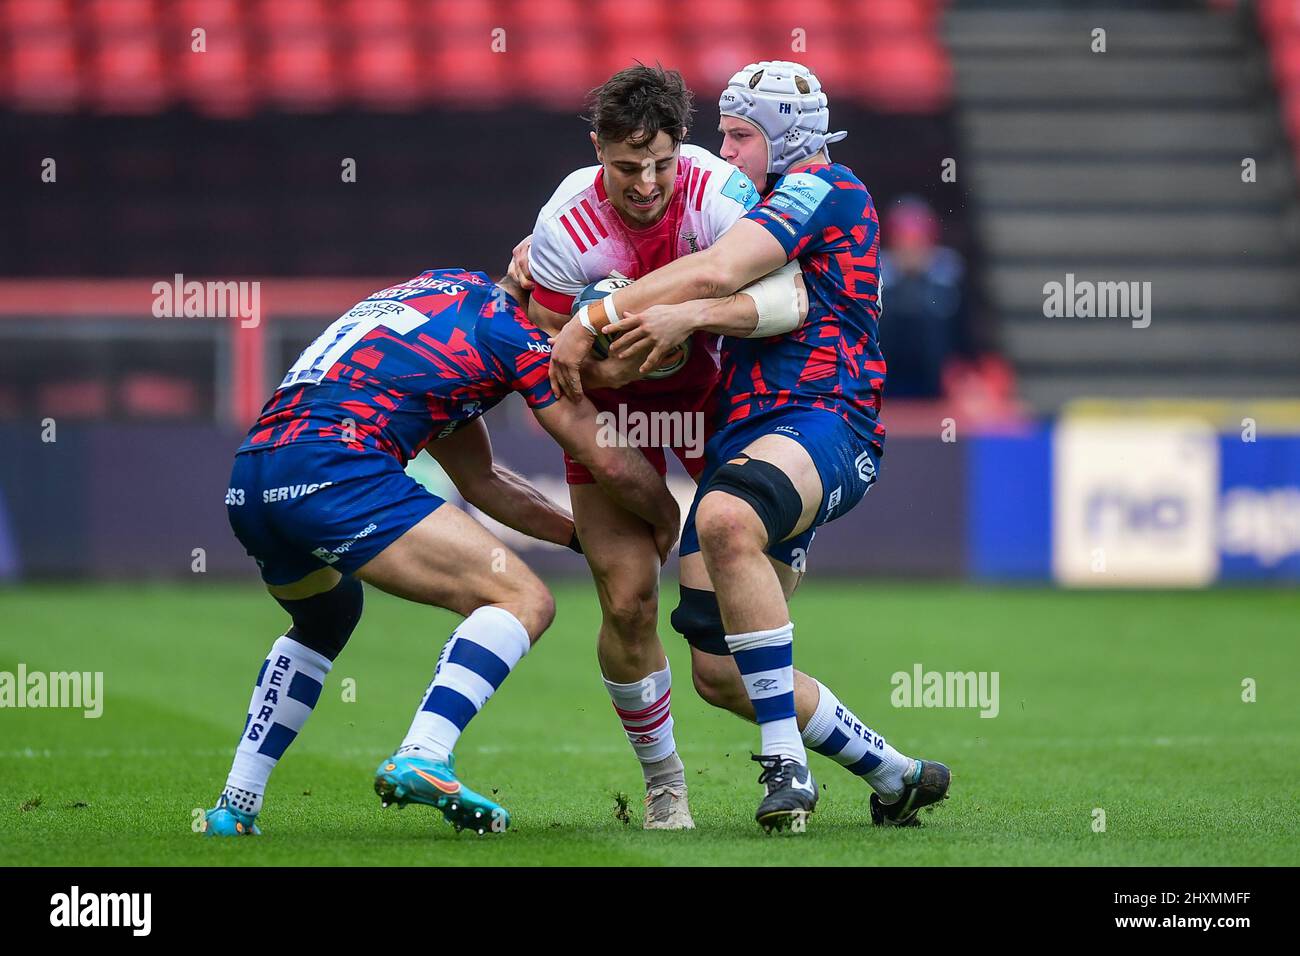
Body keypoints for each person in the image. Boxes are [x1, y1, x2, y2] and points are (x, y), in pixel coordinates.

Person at [545, 61, 952, 832]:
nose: (724, 153)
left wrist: (597, 319)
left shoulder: (817, 189)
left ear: (785, 139)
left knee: (725, 519)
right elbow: (738, 295)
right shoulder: (761, 201)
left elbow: (718, 271)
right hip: (748, 433)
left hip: (826, 417)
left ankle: (785, 769)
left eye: (739, 137)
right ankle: (893, 774)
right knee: (720, 670)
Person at [203, 267, 679, 837]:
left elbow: (484, 481)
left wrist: (578, 536)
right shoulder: (515, 334)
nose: (586, 349)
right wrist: (669, 518)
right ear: (546, 297)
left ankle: (236, 804)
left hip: (254, 477)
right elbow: (605, 458)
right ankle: (425, 752)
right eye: (592, 333)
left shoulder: (445, 294)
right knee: (522, 600)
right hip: (336, 469)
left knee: (327, 617)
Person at [511, 64, 761, 829]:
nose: (647, 183)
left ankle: (802, 739)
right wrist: (615, 358)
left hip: (715, 399)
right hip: (610, 412)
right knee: (626, 602)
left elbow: (781, 301)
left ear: (681, 146)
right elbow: (555, 368)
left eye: (660, 162)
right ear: (597, 150)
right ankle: (664, 786)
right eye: (626, 166)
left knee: (728, 640)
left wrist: (687, 319)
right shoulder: (563, 228)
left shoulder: (722, 197)